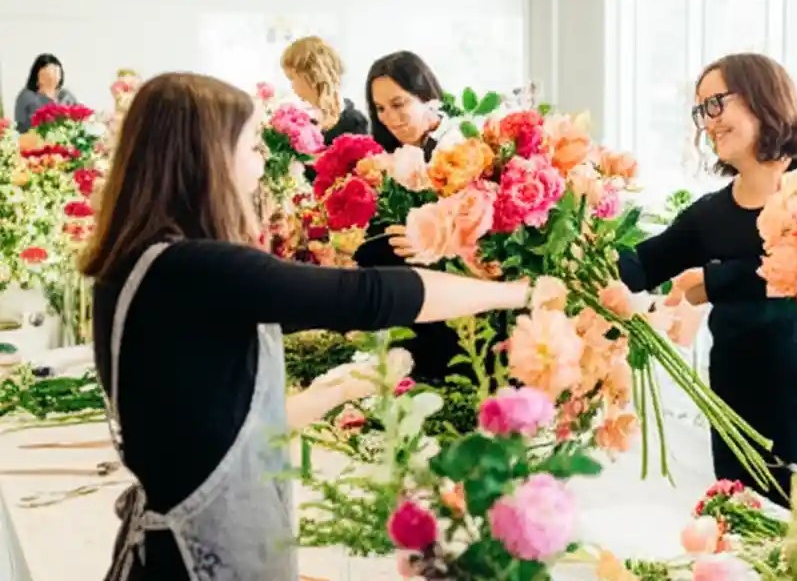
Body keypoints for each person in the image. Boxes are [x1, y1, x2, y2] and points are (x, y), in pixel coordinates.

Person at [83, 72, 537, 580]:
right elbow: (368, 298)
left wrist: (337, 390)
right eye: (253, 146)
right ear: (206, 158)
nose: (261, 165)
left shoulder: (142, 266)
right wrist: (519, 292)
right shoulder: (192, 270)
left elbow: (214, 425)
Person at [616, 53, 797, 506]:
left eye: (716, 104)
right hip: (742, 410)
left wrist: (713, 281)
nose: (707, 122)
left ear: (763, 98)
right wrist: (575, 232)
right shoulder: (709, 216)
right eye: (701, 111)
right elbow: (639, 268)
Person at [352, 51, 469, 385]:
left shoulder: (459, 149)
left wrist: (436, 242)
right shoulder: (388, 160)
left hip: (457, 309)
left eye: (399, 103)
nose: (390, 117)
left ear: (426, 96)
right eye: (380, 109)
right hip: (412, 307)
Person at [280, 36, 368, 145]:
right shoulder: (299, 120)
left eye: (292, 78)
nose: (292, 87)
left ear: (311, 76)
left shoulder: (354, 123)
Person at [13, 53, 77, 132]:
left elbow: (78, 120)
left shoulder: (66, 96)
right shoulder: (27, 96)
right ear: (37, 74)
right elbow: (20, 127)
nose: (54, 76)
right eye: (49, 73)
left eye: (57, 72)